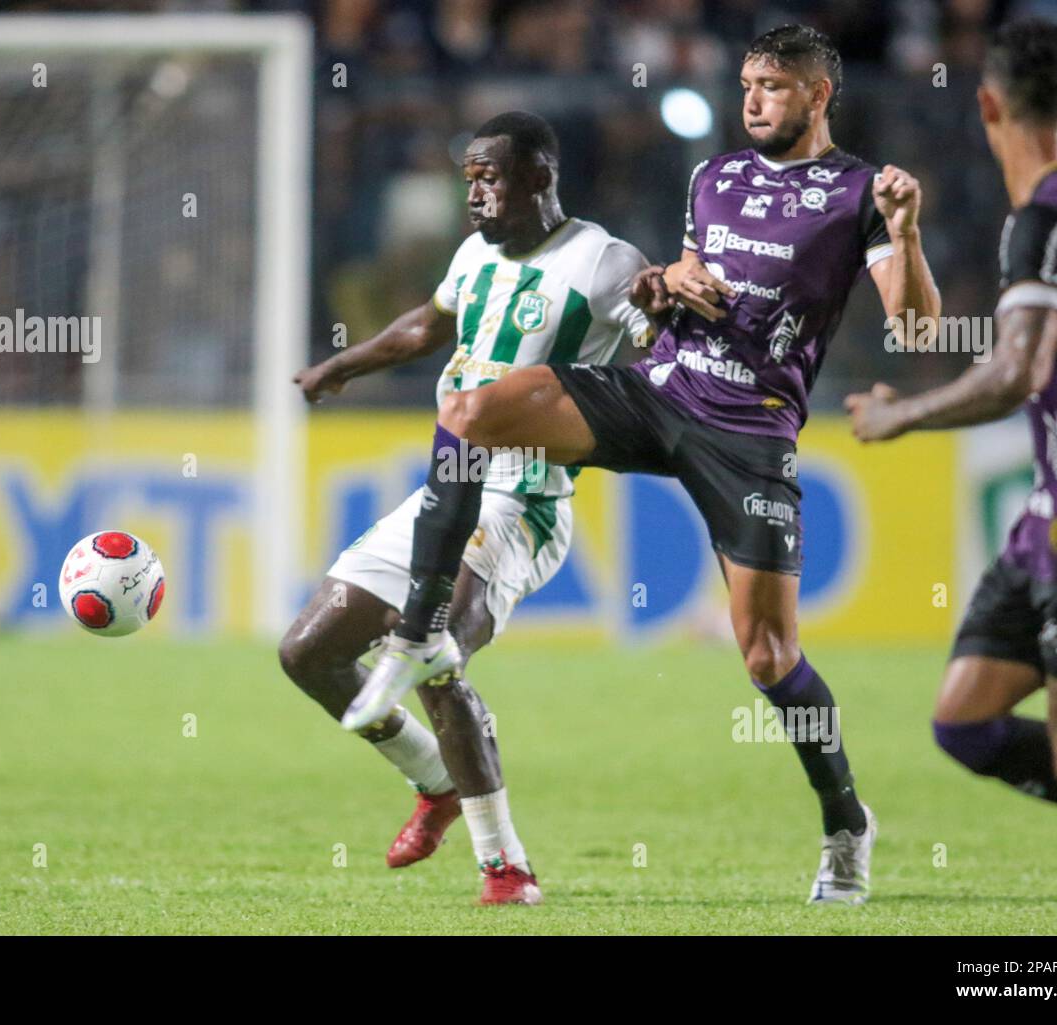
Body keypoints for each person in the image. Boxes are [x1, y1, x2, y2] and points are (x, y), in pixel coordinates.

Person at [347, 24, 941, 906]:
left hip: (747, 430)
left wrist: (907, 231)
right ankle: (421, 628)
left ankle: (846, 822)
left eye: (774, 86)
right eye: (748, 83)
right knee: (472, 408)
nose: (753, 101)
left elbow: (918, 329)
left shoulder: (861, 193)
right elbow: (679, 289)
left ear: (819, 96)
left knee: (769, 656)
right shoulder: (716, 177)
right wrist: (665, 280)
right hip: (660, 389)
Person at [280, 112, 653, 904]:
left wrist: (673, 316)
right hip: (447, 484)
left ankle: (504, 865)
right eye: (470, 180)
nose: (475, 194)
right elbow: (427, 325)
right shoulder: (475, 253)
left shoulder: (602, 260)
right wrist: (342, 366)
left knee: (435, 644)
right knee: (308, 651)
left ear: (540, 178)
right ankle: (435, 780)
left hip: (523, 498)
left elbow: (664, 343)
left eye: (490, 178)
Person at [847, 19, 1057, 886]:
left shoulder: (1043, 222)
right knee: (965, 721)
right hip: (1052, 522)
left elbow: (1018, 370)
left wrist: (903, 415)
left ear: (985, 106)